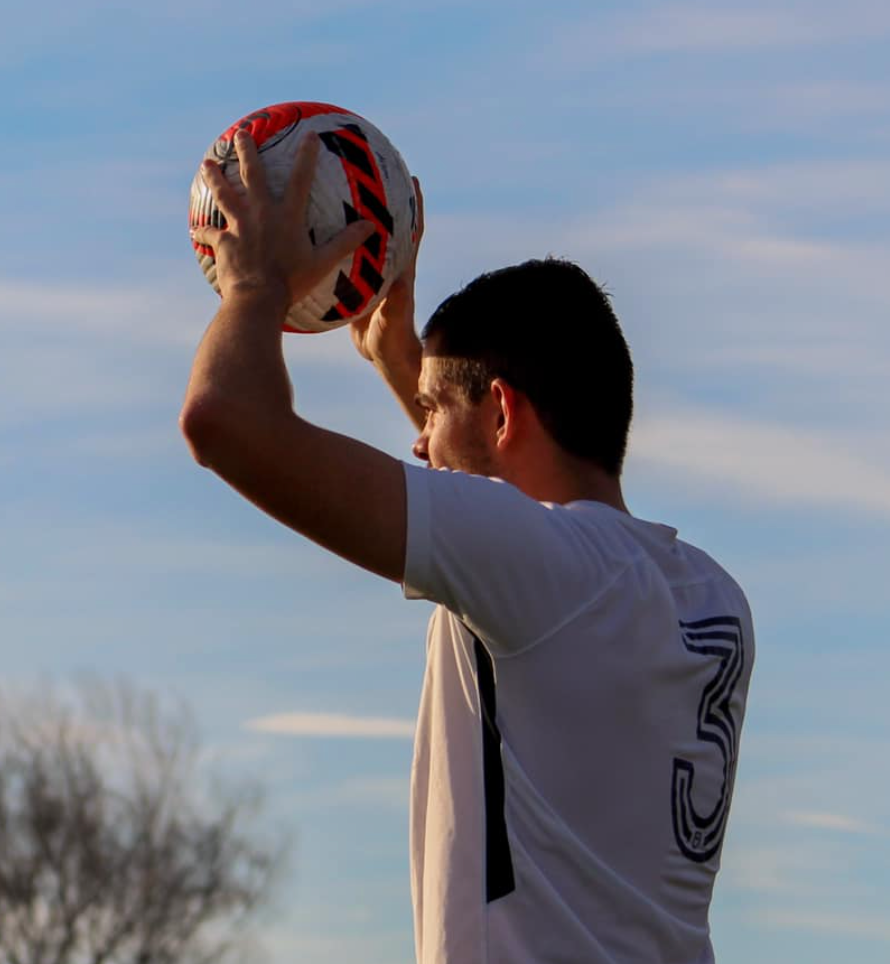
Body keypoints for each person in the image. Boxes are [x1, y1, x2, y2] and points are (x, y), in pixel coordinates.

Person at [182, 130, 756, 964]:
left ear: (503, 412)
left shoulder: (538, 573)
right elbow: (508, 499)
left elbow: (223, 420)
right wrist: (407, 368)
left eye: (432, 413)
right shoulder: (706, 597)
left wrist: (254, 287)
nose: (418, 441)